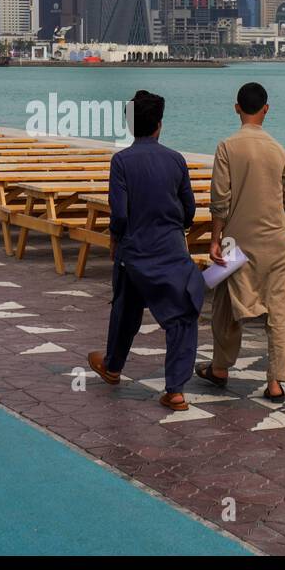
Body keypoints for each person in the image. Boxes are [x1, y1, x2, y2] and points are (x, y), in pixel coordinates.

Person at [87, 90, 205, 411]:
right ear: (159, 125)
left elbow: (120, 213)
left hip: (134, 252)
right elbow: (189, 210)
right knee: (182, 314)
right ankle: (176, 390)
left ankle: (113, 366)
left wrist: (115, 239)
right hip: (170, 251)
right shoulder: (176, 160)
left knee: (125, 309)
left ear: (130, 124)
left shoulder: (121, 161)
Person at [199, 82, 285, 402]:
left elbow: (220, 200)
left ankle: (221, 367)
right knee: (279, 311)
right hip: (275, 241)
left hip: (235, 240)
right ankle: (276, 382)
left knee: (226, 305)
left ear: (236, 107)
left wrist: (215, 239)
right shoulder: (279, 149)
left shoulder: (227, 147)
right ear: (266, 109)